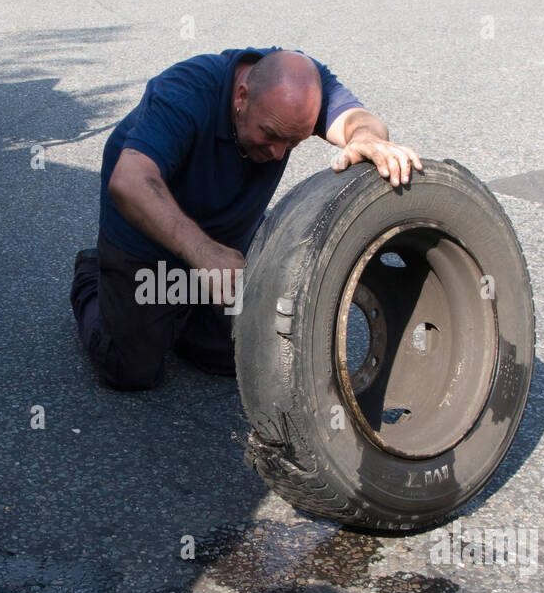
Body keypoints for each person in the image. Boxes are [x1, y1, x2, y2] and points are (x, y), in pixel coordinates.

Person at [71, 46, 421, 391]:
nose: (276, 153)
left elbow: (357, 120)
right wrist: (204, 255)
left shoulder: (301, 86)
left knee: (238, 358)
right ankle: (93, 278)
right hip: (146, 227)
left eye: (292, 142)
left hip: (224, 237)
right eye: (270, 133)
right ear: (241, 96)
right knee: (133, 370)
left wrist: (367, 138)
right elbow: (129, 181)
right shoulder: (186, 91)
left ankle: (182, 307)